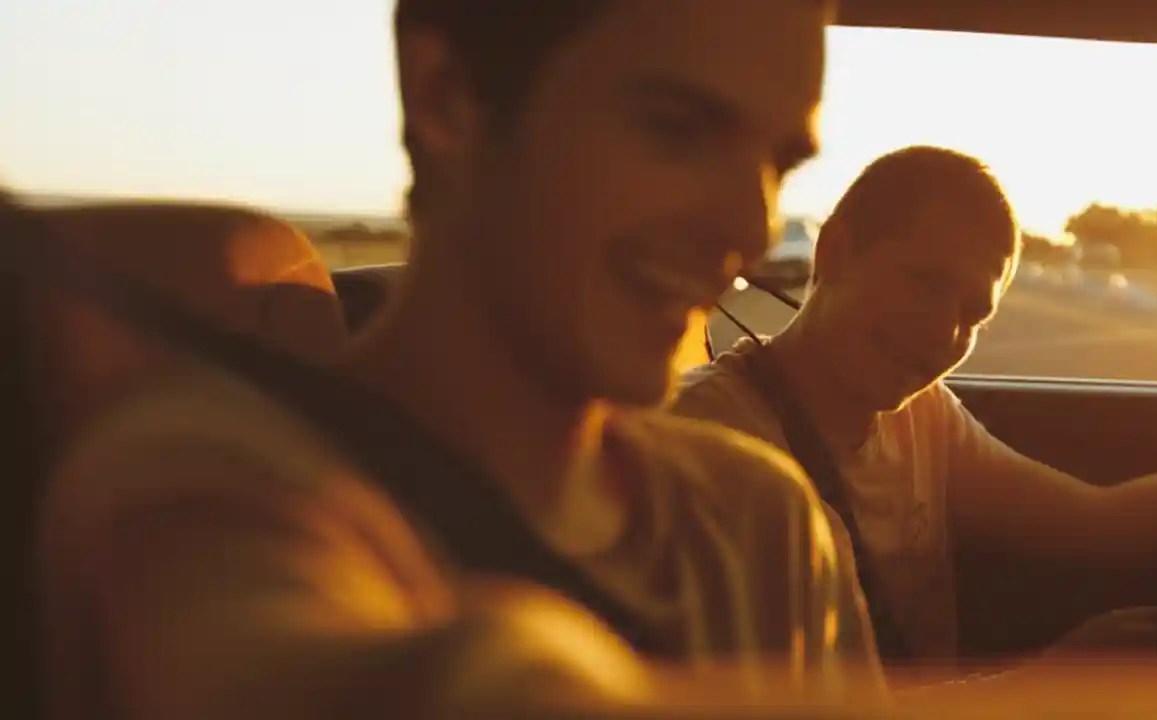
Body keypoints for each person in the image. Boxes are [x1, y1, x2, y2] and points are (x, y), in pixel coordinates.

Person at [34, 1, 896, 717]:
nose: (748, 229)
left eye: (776, 164)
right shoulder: (194, 478)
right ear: (448, 97)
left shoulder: (763, 526)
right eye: (675, 131)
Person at [671, 144, 1157, 668]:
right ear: (835, 251)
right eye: (926, 284)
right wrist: (1044, 686)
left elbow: (1094, 523)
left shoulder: (921, 417)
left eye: (972, 314)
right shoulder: (712, 442)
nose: (944, 332)